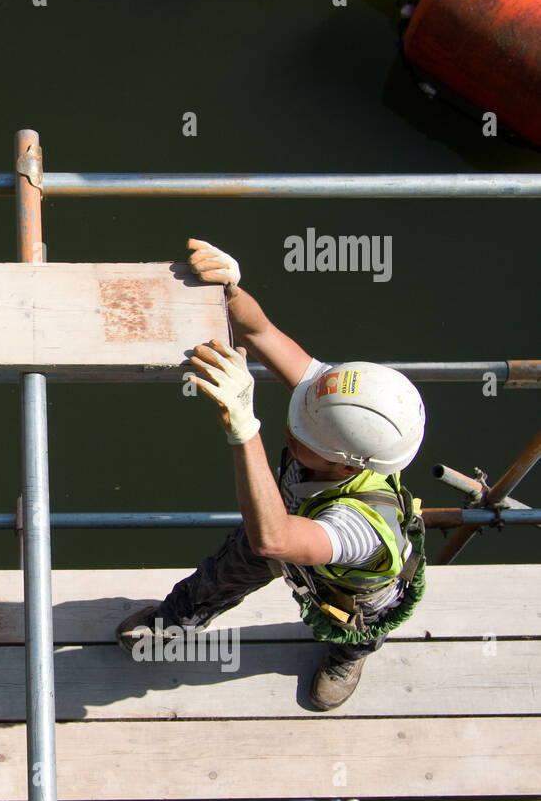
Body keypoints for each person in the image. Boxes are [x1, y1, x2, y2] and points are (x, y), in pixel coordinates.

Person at [117, 238, 428, 710]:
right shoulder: (329, 403)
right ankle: (175, 621)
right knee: (217, 578)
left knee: (355, 626)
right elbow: (259, 332)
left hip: (343, 584)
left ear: (346, 464)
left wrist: (243, 427)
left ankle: (347, 657)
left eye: (302, 435)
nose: (291, 425)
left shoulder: (362, 526)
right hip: (281, 521)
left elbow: (274, 541)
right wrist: (231, 290)